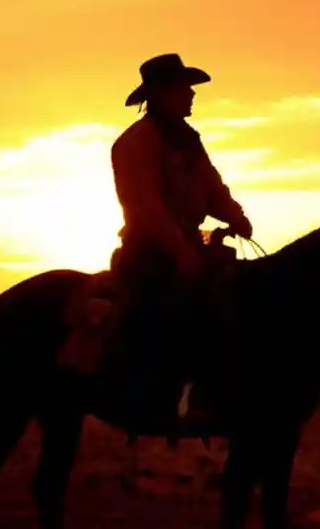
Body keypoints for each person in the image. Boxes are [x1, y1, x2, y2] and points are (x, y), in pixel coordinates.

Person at [110, 53, 252, 430]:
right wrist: (180, 251)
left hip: (188, 244)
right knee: (175, 307)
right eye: (183, 87)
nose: (191, 94)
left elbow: (211, 185)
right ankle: (164, 395)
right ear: (162, 94)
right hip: (149, 250)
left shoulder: (189, 141)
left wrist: (235, 215)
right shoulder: (135, 143)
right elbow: (145, 206)